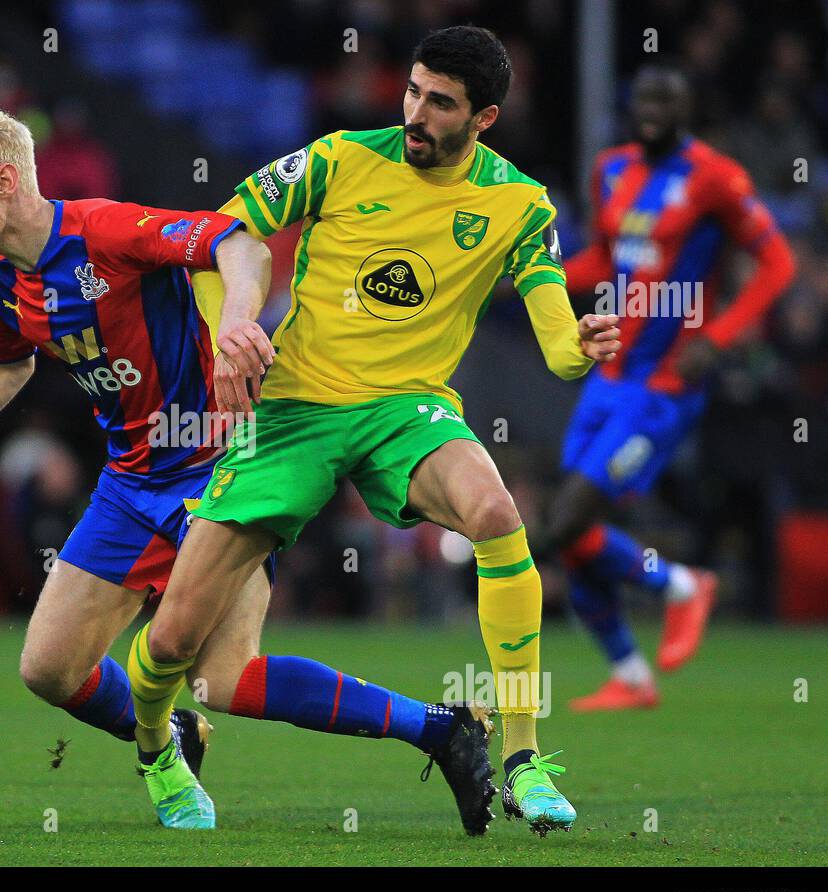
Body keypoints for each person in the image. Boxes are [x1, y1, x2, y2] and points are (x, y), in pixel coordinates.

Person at [126, 26, 622, 835]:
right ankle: (156, 746)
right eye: (414, 92)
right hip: (291, 409)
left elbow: (559, 341)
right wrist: (233, 332)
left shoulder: (519, 204)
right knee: (178, 638)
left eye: (440, 103)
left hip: (407, 407)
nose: (416, 113)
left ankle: (525, 759)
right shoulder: (339, 158)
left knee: (499, 518)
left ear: (484, 118)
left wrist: (582, 347)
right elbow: (224, 236)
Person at [0, 105, 277, 829]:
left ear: (4, 182)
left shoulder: (106, 230)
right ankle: (166, 747)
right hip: (132, 483)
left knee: (223, 676)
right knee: (46, 670)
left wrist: (237, 319)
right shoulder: (3, 282)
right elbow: (1, 366)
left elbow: (237, 241)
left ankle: (440, 729)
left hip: (218, 466)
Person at [535, 66, 796, 712]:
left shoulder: (715, 177)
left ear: (685, 110)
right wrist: (538, 278)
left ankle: (683, 584)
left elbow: (778, 262)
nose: (651, 110)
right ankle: (630, 673)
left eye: (665, 101)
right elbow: (605, 260)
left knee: (565, 519)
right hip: (608, 373)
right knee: (573, 532)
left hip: (666, 385)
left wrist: (723, 334)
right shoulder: (612, 169)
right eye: (643, 99)